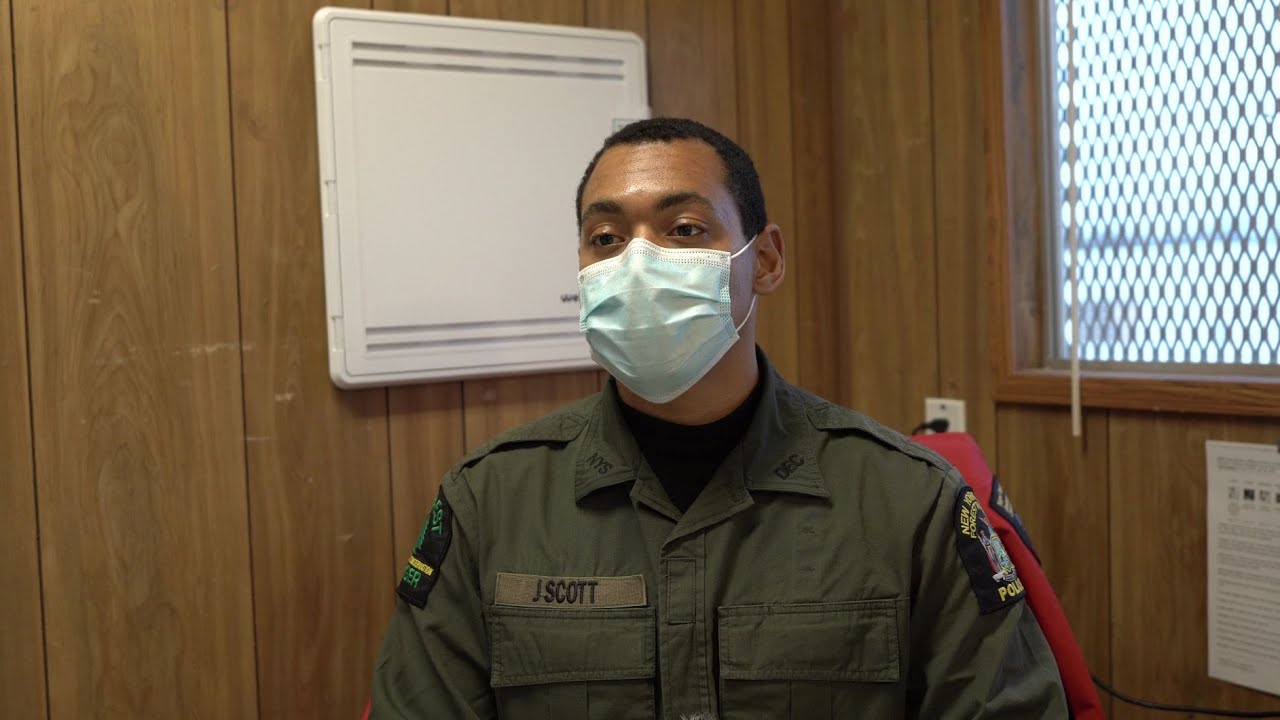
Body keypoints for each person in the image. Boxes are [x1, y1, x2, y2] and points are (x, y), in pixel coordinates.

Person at [371, 118, 1068, 719]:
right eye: (606, 239)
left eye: (683, 229)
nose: (638, 262)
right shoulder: (489, 504)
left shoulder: (907, 501)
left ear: (764, 260)